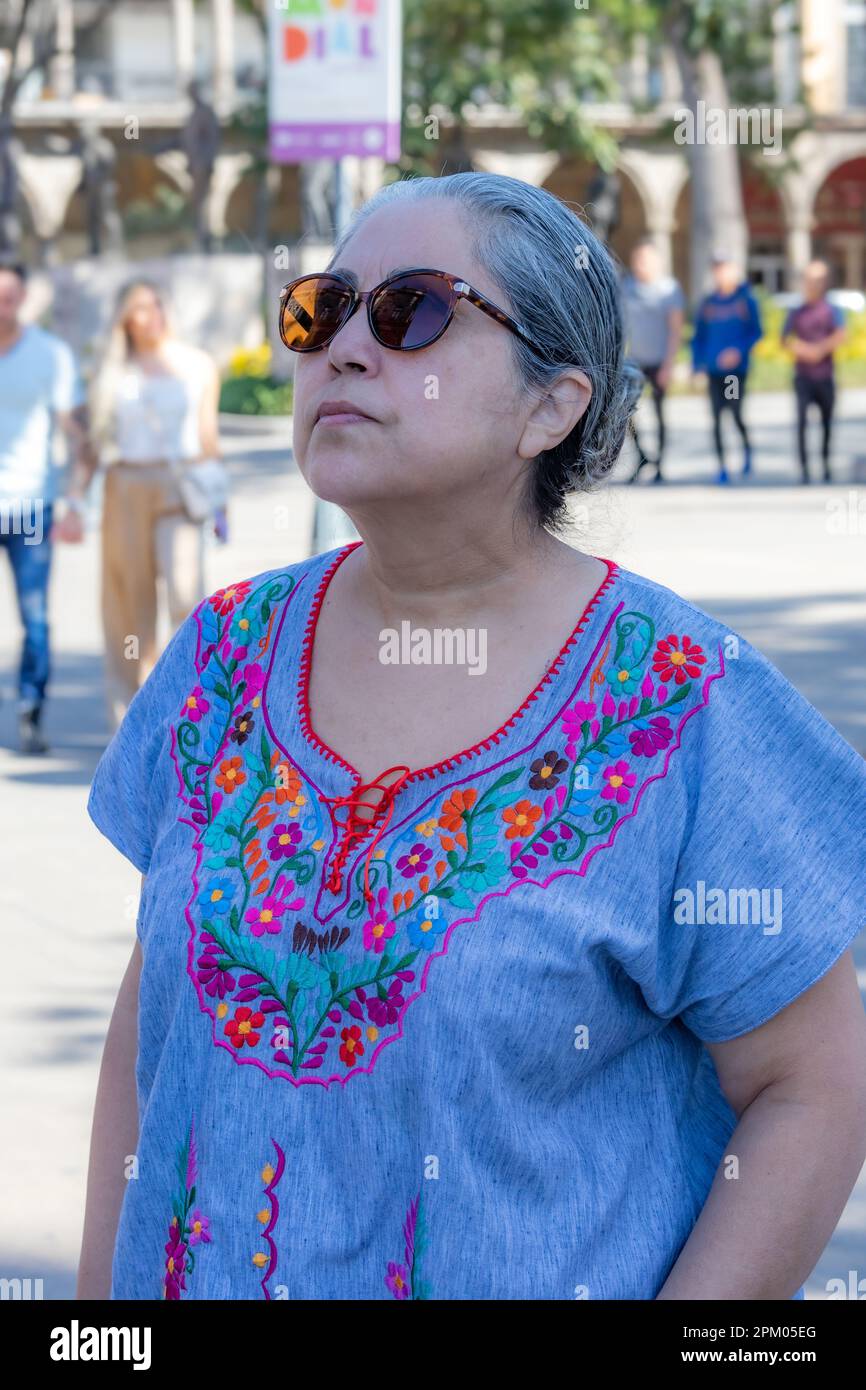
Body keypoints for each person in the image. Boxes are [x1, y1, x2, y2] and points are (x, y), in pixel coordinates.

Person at [79, 173, 866, 1302]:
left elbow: (812, 1089)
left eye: (411, 312)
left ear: (550, 408)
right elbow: (149, 1021)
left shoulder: (683, 703)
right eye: (320, 309)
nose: (344, 346)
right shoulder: (219, 655)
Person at [89, 279, 223, 732]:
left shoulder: (197, 365)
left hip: (180, 483)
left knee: (187, 591)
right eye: (140, 309)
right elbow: (93, 441)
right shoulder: (113, 369)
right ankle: (129, 715)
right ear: (125, 317)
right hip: (125, 483)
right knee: (130, 601)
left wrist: (220, 502)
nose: (151, 316)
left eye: (156, 306)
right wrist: (73, 500)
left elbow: (207, 436)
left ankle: (187, 701)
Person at [0, 260, 97, 754]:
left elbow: (79, 436)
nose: (3, 306)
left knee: (34, 614)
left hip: (29, 506)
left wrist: (76, 500)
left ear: (23, 300)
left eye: (10, 296)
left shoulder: (49, 356)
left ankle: (30, 711)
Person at [691, 254, 763, 484]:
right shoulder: (709, 303)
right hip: (714, 372)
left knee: (735, 413)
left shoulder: (745, 300)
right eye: (717, 269)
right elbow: (698, 337)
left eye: (725, 268)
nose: (721, 274)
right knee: (716, 418)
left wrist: (737, 352)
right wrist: (697, 365)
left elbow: (756, 332)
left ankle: (747, 453)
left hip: (734, 374)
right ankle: (722, 466)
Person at [621, 237, 685, 483]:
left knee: (660, 414)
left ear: (657, 262)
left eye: (645, 260)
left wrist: (669, 365)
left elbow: (676, 329)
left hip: (659, 361)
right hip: (635, 362)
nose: (639, 265)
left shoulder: (669, 290)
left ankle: (661, 463)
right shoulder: (626, 287)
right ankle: (641, 456)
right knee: (626, 412)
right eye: (637, 260)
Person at [781, 260, 846, 484]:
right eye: (810, 279)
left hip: (825, 375)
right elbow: (785, 338)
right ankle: (804, 469)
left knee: (827, 423)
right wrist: (801, 349)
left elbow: (841, 334)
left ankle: (826, 464)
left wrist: (819, 350)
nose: (814, 284)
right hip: (803, 376)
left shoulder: (832, 309)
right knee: (801, 424)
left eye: (818, 279)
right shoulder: (797, 310)